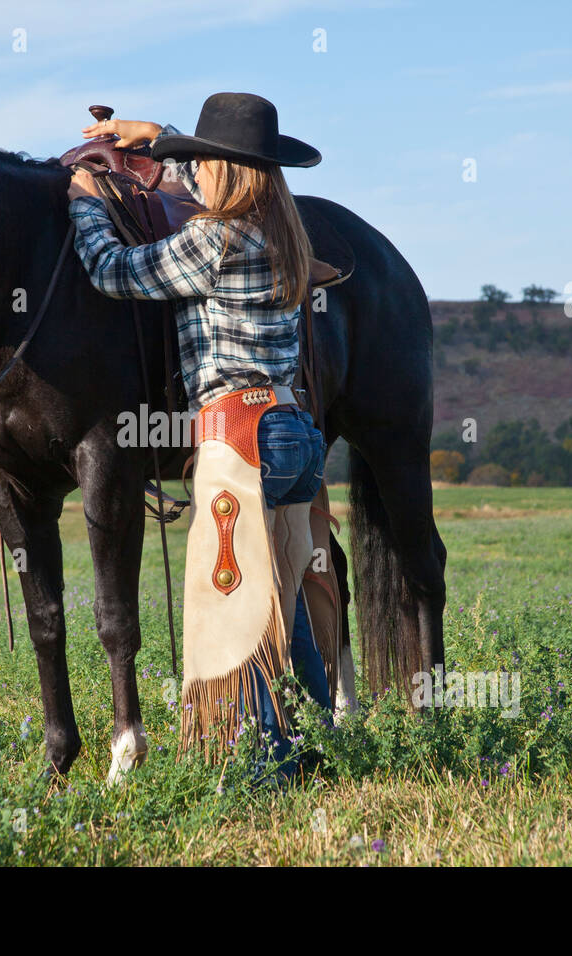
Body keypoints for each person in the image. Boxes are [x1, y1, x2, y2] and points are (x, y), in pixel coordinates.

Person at [67, 93, 331, 775]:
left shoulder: (214, 239)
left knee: (239, 610)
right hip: (293, 432)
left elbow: (113, 272)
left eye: (201, 163)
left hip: (240, 440)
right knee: (284, 601)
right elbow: (204, 184)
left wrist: (85, 202)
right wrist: (160, 137)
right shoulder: (282, 233)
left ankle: (265, 769)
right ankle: (322, 741)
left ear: (226, 170)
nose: (195, 174)